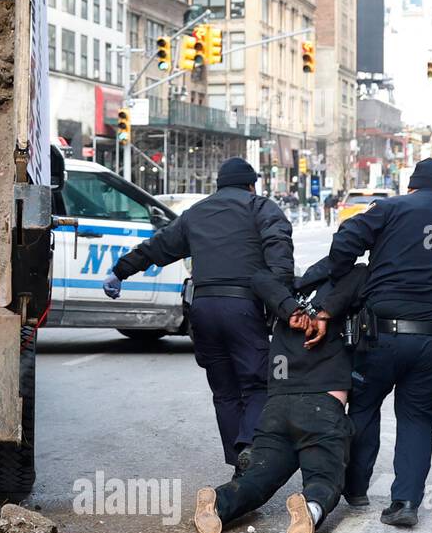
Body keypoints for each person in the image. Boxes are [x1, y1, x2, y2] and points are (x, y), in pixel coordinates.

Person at [105, 157, 294, 474]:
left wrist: (121, 271)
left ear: (219, 185)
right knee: (258, 384)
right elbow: (280, 251)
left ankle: (238, 465)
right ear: (251, 184)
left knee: (224, 391)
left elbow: (158, 246)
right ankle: (248, 445)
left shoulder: (196, 214)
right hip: (244, 308)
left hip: (202, 309)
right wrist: (282, 301)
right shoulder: (261, 207)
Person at [326, 158, 432, 527]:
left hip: (382, 335)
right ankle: (406, 502)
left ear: (411, 187)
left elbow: (345, 239)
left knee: (363, 407)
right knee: (417, 419)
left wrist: (346, 277)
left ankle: (356, 489)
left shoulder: (390, 208)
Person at [194, 259, 366, 533]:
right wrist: (325, 314)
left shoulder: (288, 296)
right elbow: (362, 273)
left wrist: (290, 309)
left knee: (258, 479)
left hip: (276, 407)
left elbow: (259, 276)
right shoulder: (342, 296)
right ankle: (310, 511)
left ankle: (219, 503)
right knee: (324, 477)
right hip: (320, 406)